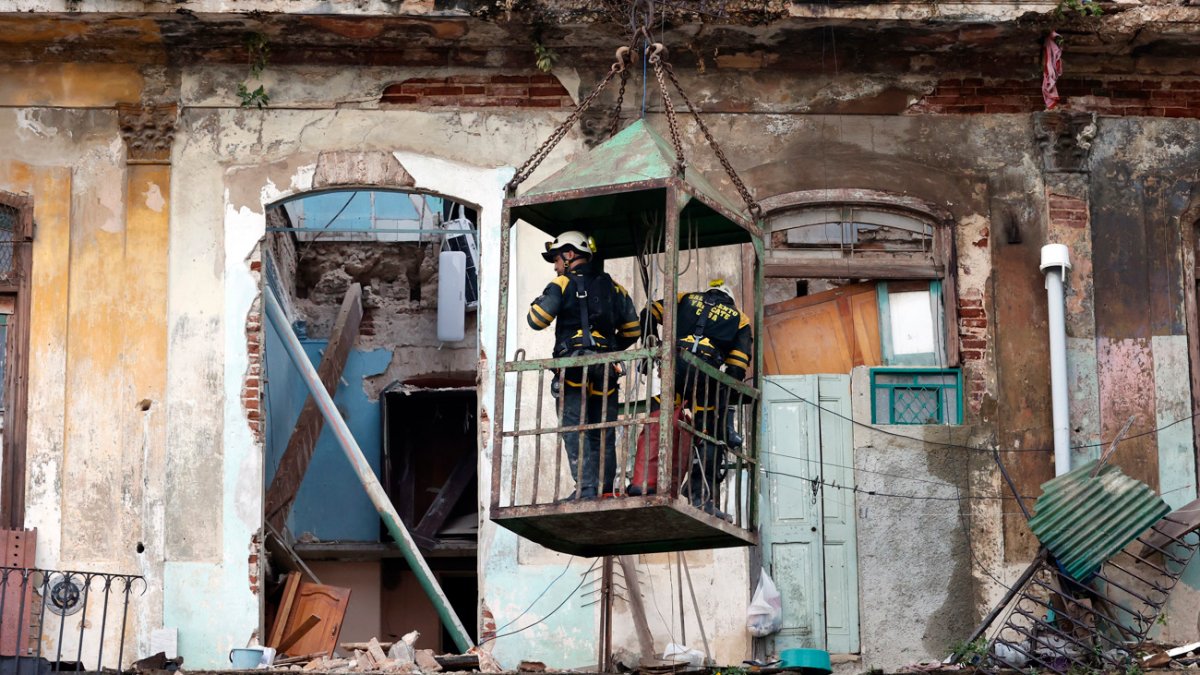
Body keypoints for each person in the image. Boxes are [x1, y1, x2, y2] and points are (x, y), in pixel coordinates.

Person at [527, 230, 640, 500]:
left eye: (556, 259)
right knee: (603, 429)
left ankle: (586, 489)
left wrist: (538, 301)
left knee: (574, 427)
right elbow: (633, 329)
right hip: (606, 367)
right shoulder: (614, 287)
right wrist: (609, 349)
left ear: (569, 254)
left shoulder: (562, 283)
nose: (555, 266)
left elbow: (537, 319)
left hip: (574, 366)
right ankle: (604, 489)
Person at [640, 279, 753, 509]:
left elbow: (649, 311)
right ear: (729, 299)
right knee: (710, 432)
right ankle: (699, 495)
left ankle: (647, 483)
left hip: (674, 366)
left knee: (663, 421)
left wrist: (652, 343)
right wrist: (728, 387)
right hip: (706, 375)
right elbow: (739, 363)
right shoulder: (738, 317)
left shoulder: (684, 298)